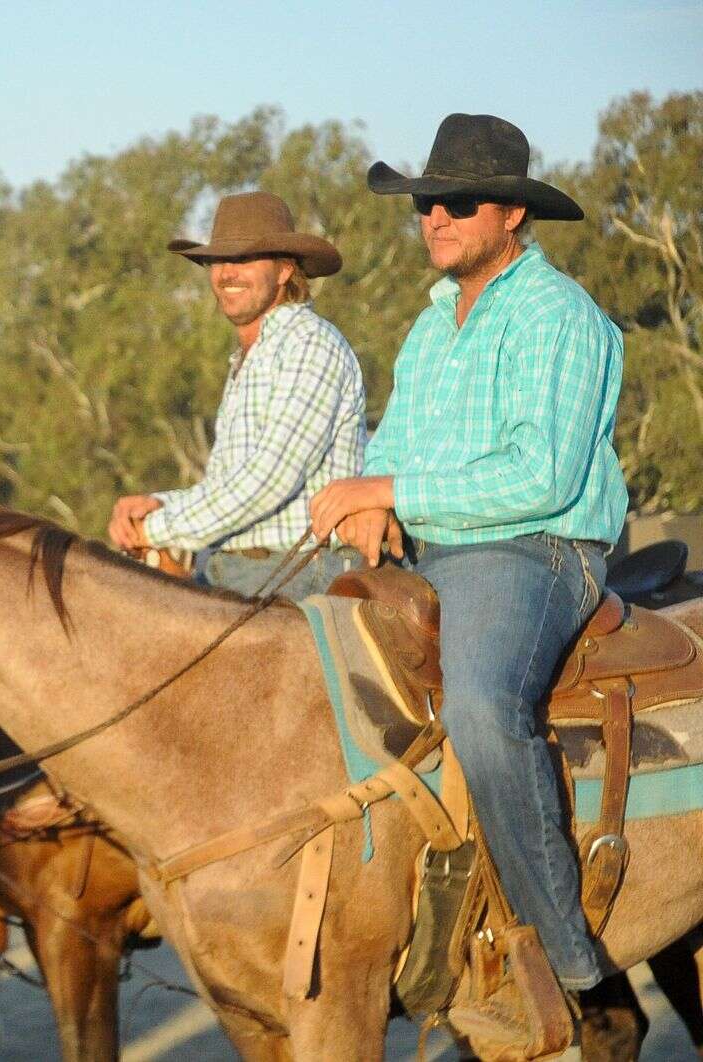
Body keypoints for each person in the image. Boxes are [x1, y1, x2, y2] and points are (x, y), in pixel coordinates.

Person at [309, 114, 625, 1040]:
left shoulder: (559, 315)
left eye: (454, 203)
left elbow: (542, 475)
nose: (433, 218)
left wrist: (390, 486)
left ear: (511, 214)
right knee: (297, 673)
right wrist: (370, 504)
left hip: (532, 550)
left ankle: (569, 960)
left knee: (485, 711)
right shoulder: (428, 323)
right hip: (431, 549)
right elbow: (394, 442)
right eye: (424, 203)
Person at [107, 191, 367, 599]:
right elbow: (229, 485)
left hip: (295, 572)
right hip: (237, 568)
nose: (227, 273)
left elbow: (268, 479)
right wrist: (157, 504)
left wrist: (157, 529)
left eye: (244, 259)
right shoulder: (250, 357)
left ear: (284, 270)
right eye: (217, 260)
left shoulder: (309, 344)